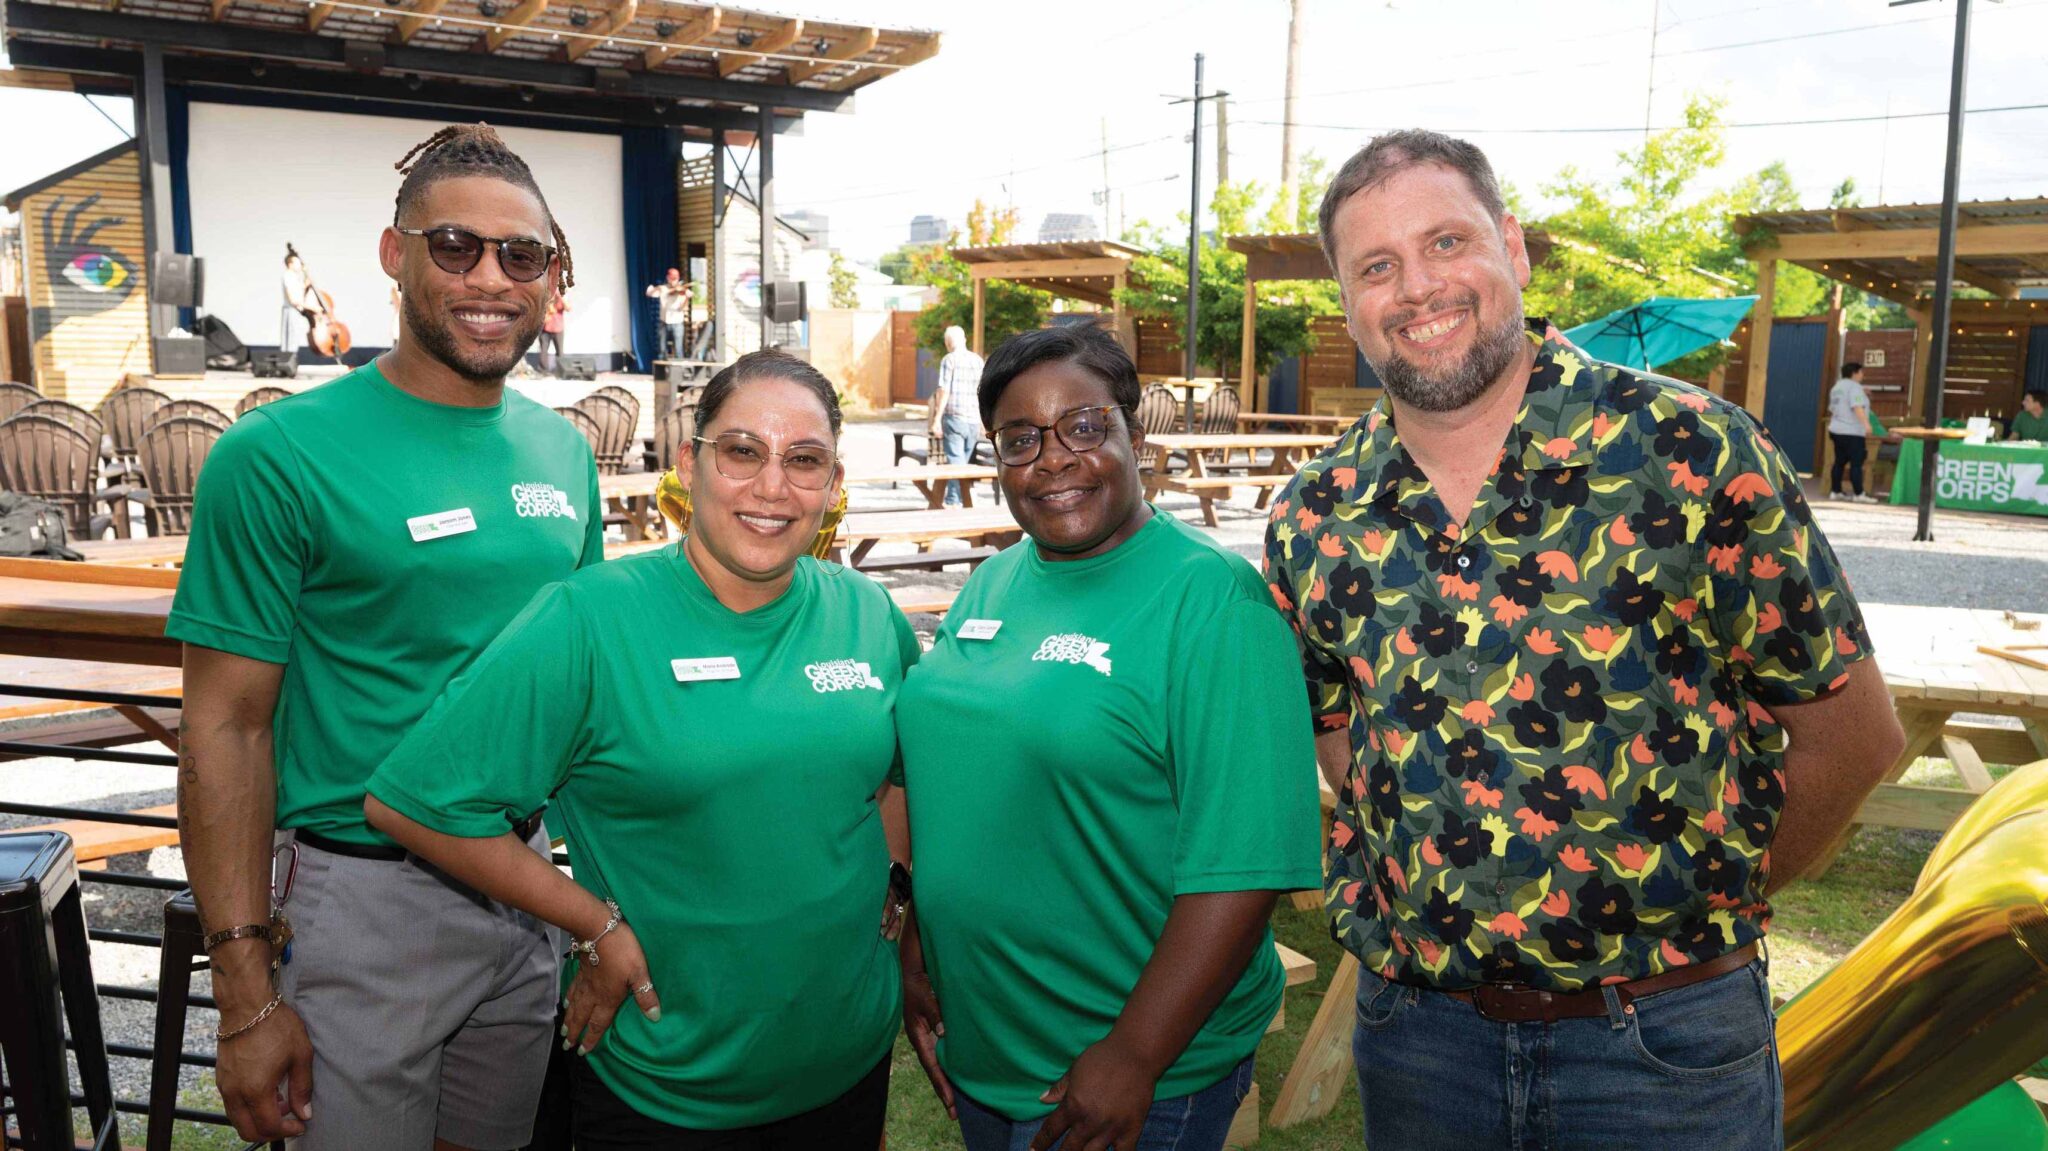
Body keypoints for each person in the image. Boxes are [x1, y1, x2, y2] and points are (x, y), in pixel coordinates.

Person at [1264, 130, 1906, 1151]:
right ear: (1344, 301)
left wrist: (1692, 913)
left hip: (1663, 1046)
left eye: (1445, 242)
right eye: (1375, 266)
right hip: (1419, 1040)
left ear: (1510, 250)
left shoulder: (1689, 450)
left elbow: (1853, 734)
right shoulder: (1315, 513)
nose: (1416, 287)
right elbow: (1336, 725)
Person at [170, 123, 599, 1151]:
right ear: (394, 254)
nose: (491, 276)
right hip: (364, 903)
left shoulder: (561, 447)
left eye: (522, 255)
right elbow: (225, 726)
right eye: (456, 246)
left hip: (524, 882)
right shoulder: (275, 453)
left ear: (550, 279)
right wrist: (244, 994)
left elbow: (579, 691)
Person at [366, 350, 914, 1151]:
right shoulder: (589, 618)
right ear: (689, 463)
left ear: (833, 483)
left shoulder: (867, 612)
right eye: (742, 451)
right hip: (668, 1084)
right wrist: (594, 923)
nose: (772, 487)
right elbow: (417, 801)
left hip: (845, 1060)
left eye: (804, 461)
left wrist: (896, 880)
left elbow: (896, 771)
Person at [896, 324, 1323, 1151]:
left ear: (1134, 433)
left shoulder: (1211, 600)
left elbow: (1245, 864)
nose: (1053, 458)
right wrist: (924, 934)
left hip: (1123, 1071)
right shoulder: (994, 578)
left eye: (1084, 427)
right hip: (989, 1042)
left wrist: (1135, 1052)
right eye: (1020, 438)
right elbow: (971, 782)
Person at [928, 325, 986, 506]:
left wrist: (937, 419)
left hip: (955, 418)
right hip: (974, 421)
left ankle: (955, 500)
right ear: (965, 339)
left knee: (956, 463)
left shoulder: (949, 360)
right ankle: (960, 497)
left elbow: (943, 390)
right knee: (962, 462)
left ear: (947, 342)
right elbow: (982, 391)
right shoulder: (977, 360)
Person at [1826, 362, 1878, 502]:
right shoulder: (1855, 388)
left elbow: (1833, 408)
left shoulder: (1837, 387)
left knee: (1839, 462)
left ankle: (1835, 491)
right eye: (1861, 372)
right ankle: (1859, 494)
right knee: (1856, 463)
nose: (1863, 375)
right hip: (1852, 431)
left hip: (1837, 430)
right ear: (1855, 373)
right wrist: (1867, 425)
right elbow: (1857, 407)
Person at [644, 267, 691, 361]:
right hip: (664, 321)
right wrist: (658, 287)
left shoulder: (682, 290)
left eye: (675, 279)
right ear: (668, 278)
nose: (674, 281)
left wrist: (687, 298)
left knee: (678, 349)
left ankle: (679, 371)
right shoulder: (663, 288)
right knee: (661, 348)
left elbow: (682, 308)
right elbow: (649, 293)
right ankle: (662, 372)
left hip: (677, 322)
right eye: (672, 279)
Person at [540, 291, 570, 375]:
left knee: (560, 351)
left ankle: (560, 370)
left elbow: (568, 308)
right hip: (546, 328)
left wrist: (561, 297)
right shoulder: (546, 299)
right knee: (543, 350)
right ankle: (543, 370)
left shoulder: (561, 300)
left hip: (558, 328)